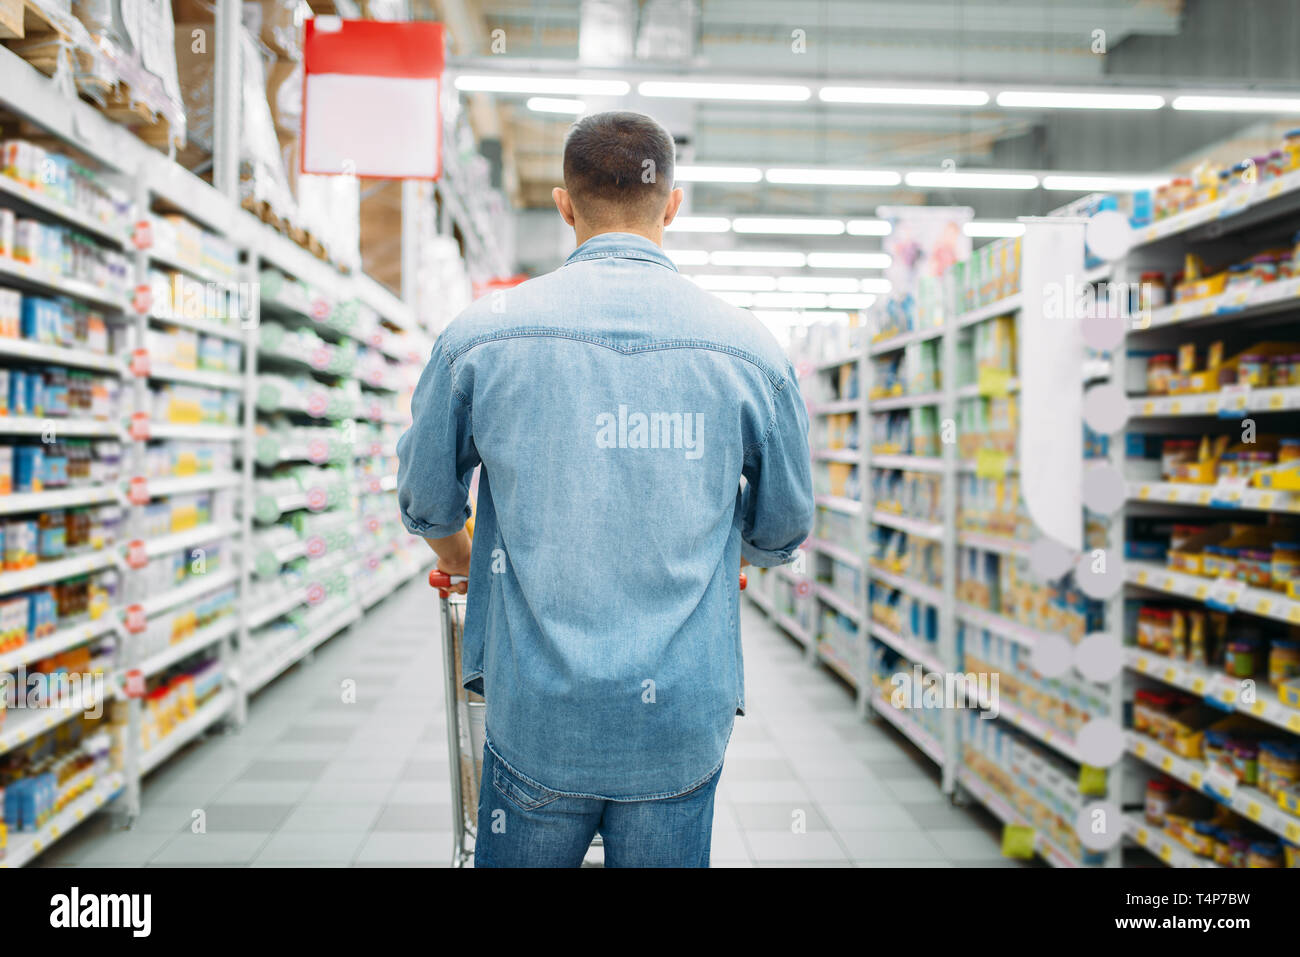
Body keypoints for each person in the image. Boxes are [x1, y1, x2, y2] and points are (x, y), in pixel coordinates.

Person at [396, 111, 814, 868]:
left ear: (564, 204)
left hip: (537, 715)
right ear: (672, 205)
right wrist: (725, 540)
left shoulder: (480, 338)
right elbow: (784, 527)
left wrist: (466, 557)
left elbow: (427, 497)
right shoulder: (751, 351)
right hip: (679, 723)